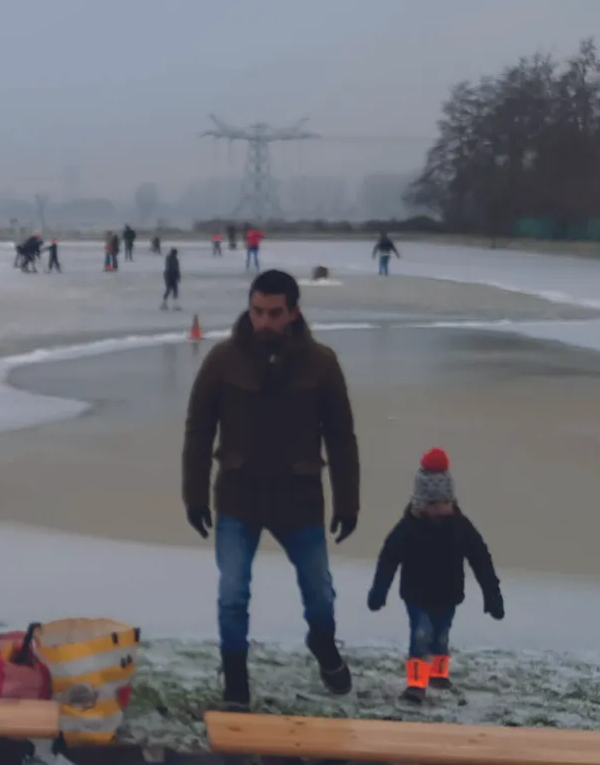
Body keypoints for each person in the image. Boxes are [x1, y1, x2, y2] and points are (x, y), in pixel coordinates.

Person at [182, 269, 360, 709]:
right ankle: (236, 682)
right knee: (233, 593)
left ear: (293, 312)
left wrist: (348, 501)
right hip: (238, 496)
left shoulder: (321, 363)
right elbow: (199, 430)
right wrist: (194, 495)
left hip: (299, 498)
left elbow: (341, 437)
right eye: (258, 311)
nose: (264, 321)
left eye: (274, 313)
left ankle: (322, 643)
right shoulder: (223, 360)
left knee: (319, 594)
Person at [367, 448, 504, 706]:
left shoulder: (461, 527)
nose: (440, 508)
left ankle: (439, 676)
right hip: (416, 595)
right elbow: (389, 558)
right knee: (421, 634)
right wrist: (378, 592)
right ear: (421, 503)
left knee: (441, 635)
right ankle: (416, 684)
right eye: (434, 503)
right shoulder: (408, 528)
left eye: (444, 502)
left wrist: (492, 594)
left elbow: (481, 559)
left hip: (448, 595)